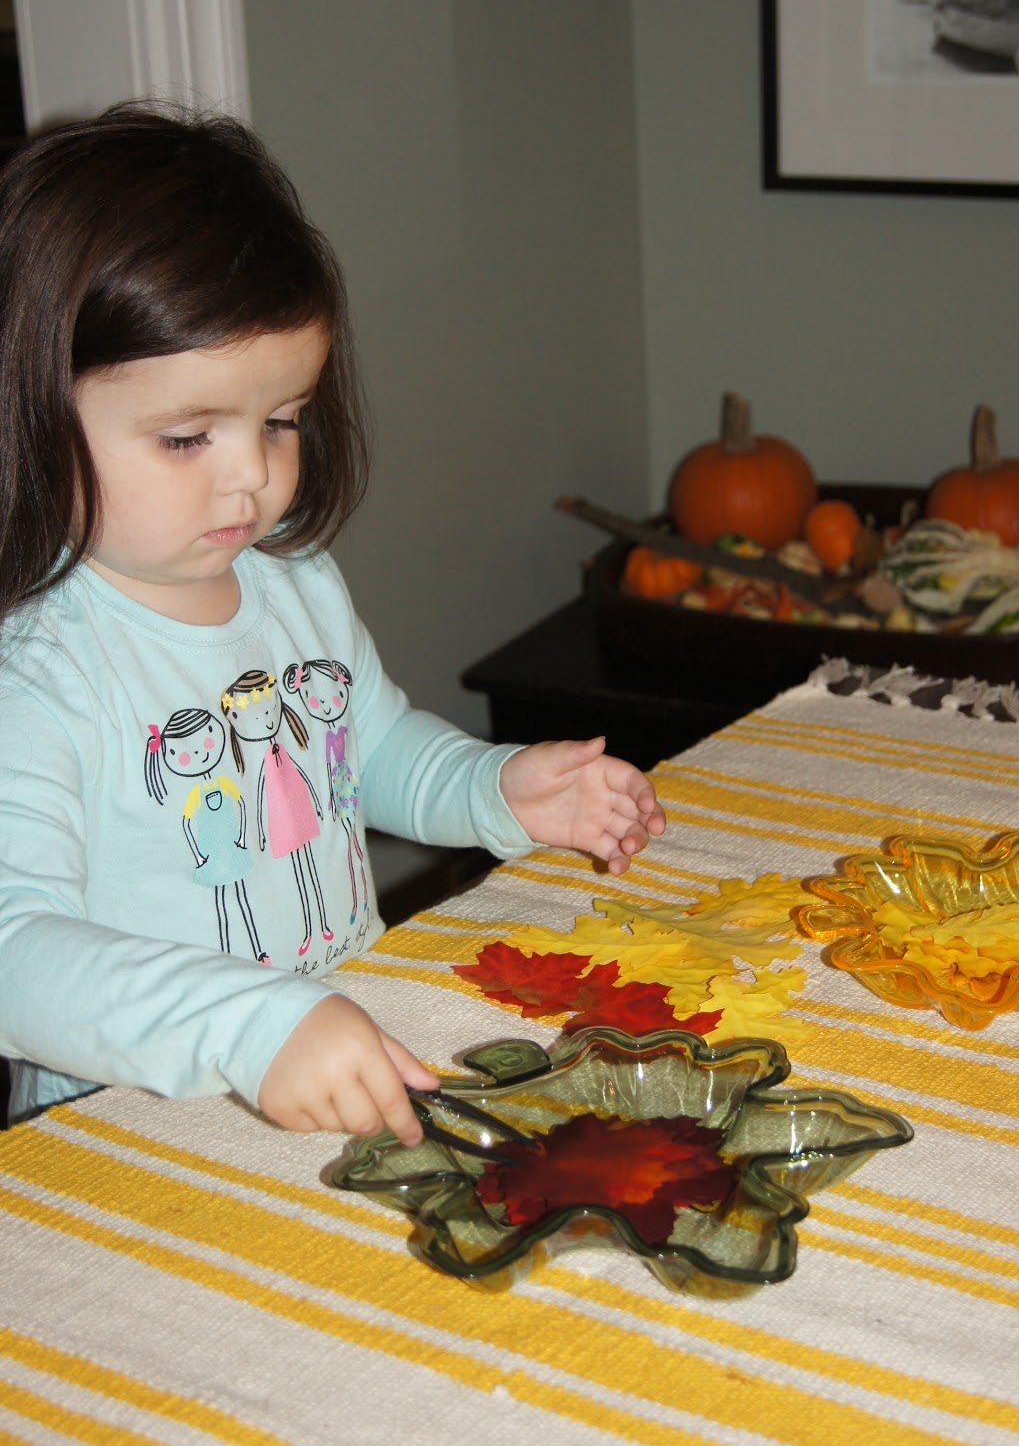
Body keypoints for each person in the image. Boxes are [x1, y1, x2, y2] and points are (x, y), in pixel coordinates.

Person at [0, 103, 665, 1143]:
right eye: (185, 437)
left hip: (332, 1057)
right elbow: (14, 952)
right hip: (125, 1127)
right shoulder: (35, 671)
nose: (253, 477)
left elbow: (368, 749)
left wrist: (491, 788)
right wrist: (245, 1027)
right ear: (33, 409)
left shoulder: (292, 579)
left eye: (281, 420)